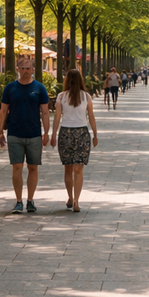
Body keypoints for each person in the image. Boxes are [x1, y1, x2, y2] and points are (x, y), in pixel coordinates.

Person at [0, 55, 50, 214]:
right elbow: (3, 111)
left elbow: (45, 112)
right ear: (18, 69)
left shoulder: (39, 88)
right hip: (15, 133)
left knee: (33, 167)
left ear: (33, 69)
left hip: (34, 134)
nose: (26, 71)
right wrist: (0, 131)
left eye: (28, 68)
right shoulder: (10, 88)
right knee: (17, 167)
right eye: (23, 68)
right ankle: (19, 201)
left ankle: (30, 200)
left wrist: (46, 132)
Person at [50, 68, 99, 212]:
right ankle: (76, 200)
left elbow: (57, 118)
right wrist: (95, 134)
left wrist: (53, 135)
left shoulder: (61, 97)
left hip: (65, 133)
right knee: (79, 169)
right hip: (82, 133)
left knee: (68, 168)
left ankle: (71, 197)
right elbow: (91, 116)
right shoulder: (86, 96)